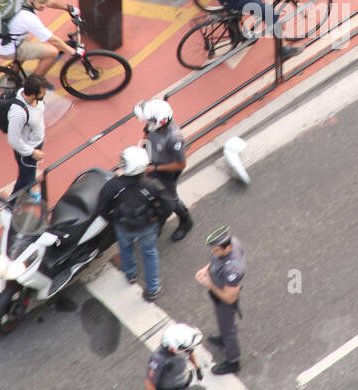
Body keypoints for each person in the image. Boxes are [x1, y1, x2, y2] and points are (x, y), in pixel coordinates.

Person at [93, 146, 176, 301]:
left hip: (123, 226)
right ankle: (152, 289)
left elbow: (102, 208)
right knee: (150, 254)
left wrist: (115, 221)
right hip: (148, 227)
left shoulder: (113, 185)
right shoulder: (152, 185)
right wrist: (158, 220)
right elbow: (168, 206)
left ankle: (130, 275)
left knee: (125, 249)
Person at [0, 0, 82, 82]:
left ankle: (13, 74)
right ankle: (31, 85)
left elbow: (50, 1)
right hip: (7, 48)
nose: (44, 5)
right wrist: (73, 52)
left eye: (45, 2)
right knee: (52, 53)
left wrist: (70, 8)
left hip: (4, 39)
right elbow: (52, 39)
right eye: (41, 2)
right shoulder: (28, 18)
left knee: (27, 43)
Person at [134, 99, 194, 242]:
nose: (147, 124)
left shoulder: (174, 138)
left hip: (166, 172)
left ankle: (186, 221)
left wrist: (155, 168)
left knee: (170, 199)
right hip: (151, 166)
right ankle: (158, 221)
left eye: (149, 122)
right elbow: (146, 137)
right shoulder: (152, 125)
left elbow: (180, 164)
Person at [196, 226, 245, 375]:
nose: (213, 252)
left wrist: (209, 284)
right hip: (218, 292)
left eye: (216, 250)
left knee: (228, 330)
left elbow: (230, 298)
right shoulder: (232, 242)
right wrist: (207, 268)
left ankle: (233, 361)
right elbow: (216, 259)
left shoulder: (233, 270)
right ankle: (224, 338)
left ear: (227, 248)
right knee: (224, 325)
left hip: (224, 300)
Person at [5, 74, 46, 210]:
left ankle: (27, 192)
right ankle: (11, 204)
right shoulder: (18, 113)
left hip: (36, 143)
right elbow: (13, 139)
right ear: (33, 94)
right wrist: (32, 152)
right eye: (42, 92)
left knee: (29, 174)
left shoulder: (37, 100)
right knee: (25, 178)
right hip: (27, 151)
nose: (45, 93)